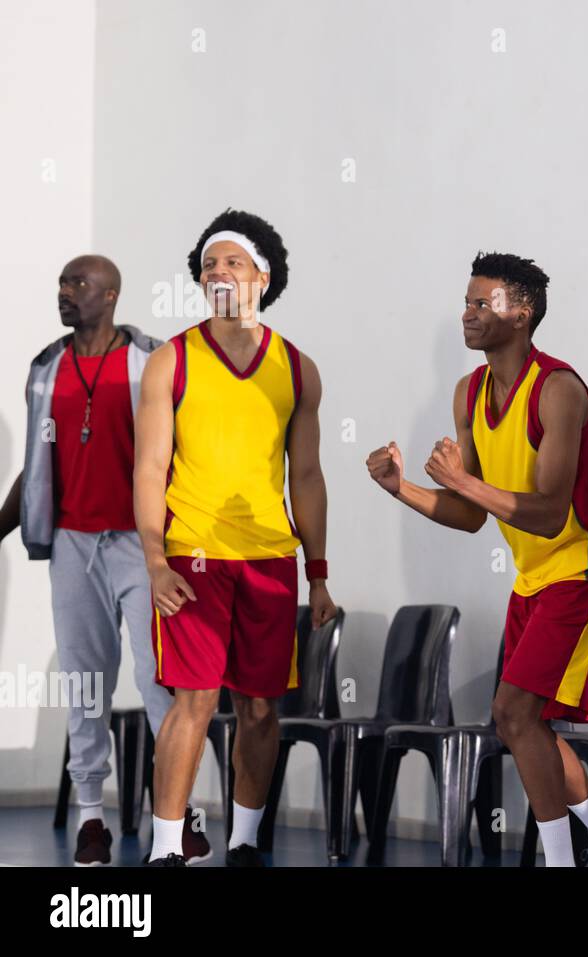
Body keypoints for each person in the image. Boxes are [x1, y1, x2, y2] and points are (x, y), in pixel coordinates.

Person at [366, 252, 588, 867]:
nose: (465, 314)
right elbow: (470, 516)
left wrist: (461, 482)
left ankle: (560, 859)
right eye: (465, 301)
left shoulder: (559, 389)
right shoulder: (468, 392)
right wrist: (402, 488)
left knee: (512, 712)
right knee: (525, 722)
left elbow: (549, 511)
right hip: (537, 573)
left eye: (480, 303)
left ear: (521, 314)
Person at [135, 210, 337, 866]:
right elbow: (149, 468)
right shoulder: (172, 360)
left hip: (271, 561)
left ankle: (246, 841)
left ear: (262, 276)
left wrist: (318, 572)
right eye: (208, 263)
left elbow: (305, 475)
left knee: (258, 709)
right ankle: (167, 847)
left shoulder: (298, 368)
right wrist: (155, 561)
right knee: (193, 700)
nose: (217, 271)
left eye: (232, 261)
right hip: (192, 556)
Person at [0, 255, 209, 866]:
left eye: (79, 284)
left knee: (160, 681)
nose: (66, 293)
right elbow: (36, 468)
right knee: (85, 684)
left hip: (144, 549)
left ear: (111, 295)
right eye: (63, 283)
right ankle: (92, 817)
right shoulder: (46, 367)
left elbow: (184, 454)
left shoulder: (150, 359)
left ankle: (182, 816)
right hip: (70, 543)